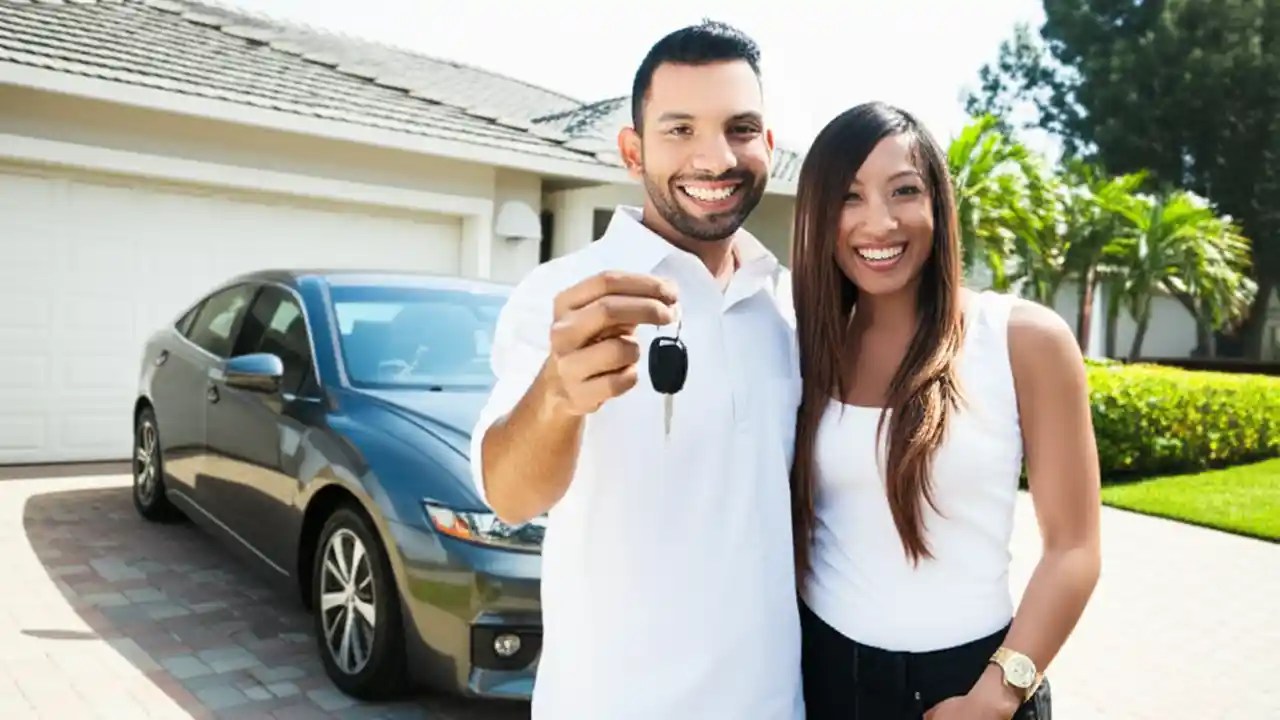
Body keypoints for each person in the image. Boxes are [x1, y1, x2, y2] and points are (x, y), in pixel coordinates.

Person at [470, 20, 804, 720]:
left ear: (768, 145)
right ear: (632, 150)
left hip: (773, 704)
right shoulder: (561, 293)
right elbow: (510, 495)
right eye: (679, 129)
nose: (715, 158)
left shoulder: (789, 305)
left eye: (740, 128)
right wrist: (556, 396)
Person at [788, 101, 1103, 719]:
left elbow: (1075, 547)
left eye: (903, 191)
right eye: (849, 198)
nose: (878, 223)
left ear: (938, 204)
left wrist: (998, 694)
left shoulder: (1022, 340)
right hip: (825, 678)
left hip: (974, 686)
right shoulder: (803, 347)